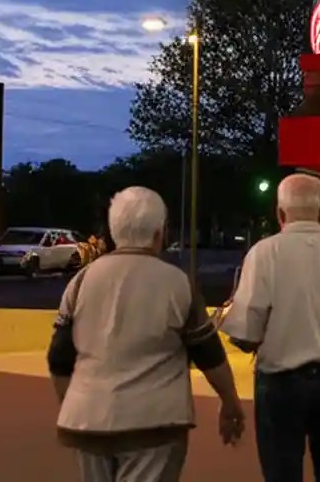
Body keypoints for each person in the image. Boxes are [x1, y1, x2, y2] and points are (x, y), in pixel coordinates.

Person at [47, 186, 244, 482]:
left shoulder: (81, 281)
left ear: (114, 232)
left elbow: (60, 358)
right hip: (155, 424)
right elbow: (208, 353)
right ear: (159, 233)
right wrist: (230, 402)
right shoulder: (177, 283)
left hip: (88, 423)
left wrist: (74, 403)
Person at [219, 173, 320, 482]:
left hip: (280, 384)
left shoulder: (264, 253)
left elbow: (245, 333)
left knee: (282, 472)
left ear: (280, 213)